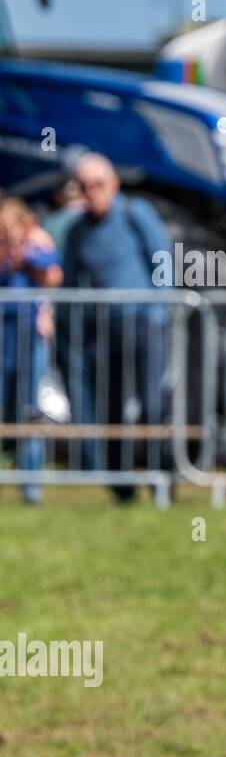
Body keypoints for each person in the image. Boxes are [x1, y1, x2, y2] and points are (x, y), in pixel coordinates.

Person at [59, 152, 173, 501]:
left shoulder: (134, 213)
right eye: (84, 186)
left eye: (98, 184)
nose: (92, 192)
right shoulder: (77, 230)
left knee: (152, 405)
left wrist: (159, 314)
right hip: (101, 331)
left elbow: (162, 259)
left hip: (142, 323)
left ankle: (162, 480)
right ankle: (122, 489)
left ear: (114, 184)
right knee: (109, 411)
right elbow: (69, 281)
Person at [0, 199, 62, 504]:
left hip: (29, 335)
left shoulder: (37, 245)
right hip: (4, 334)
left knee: (30, 409)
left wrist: (25, 253)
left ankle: (31, 485)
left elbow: (52, 275)